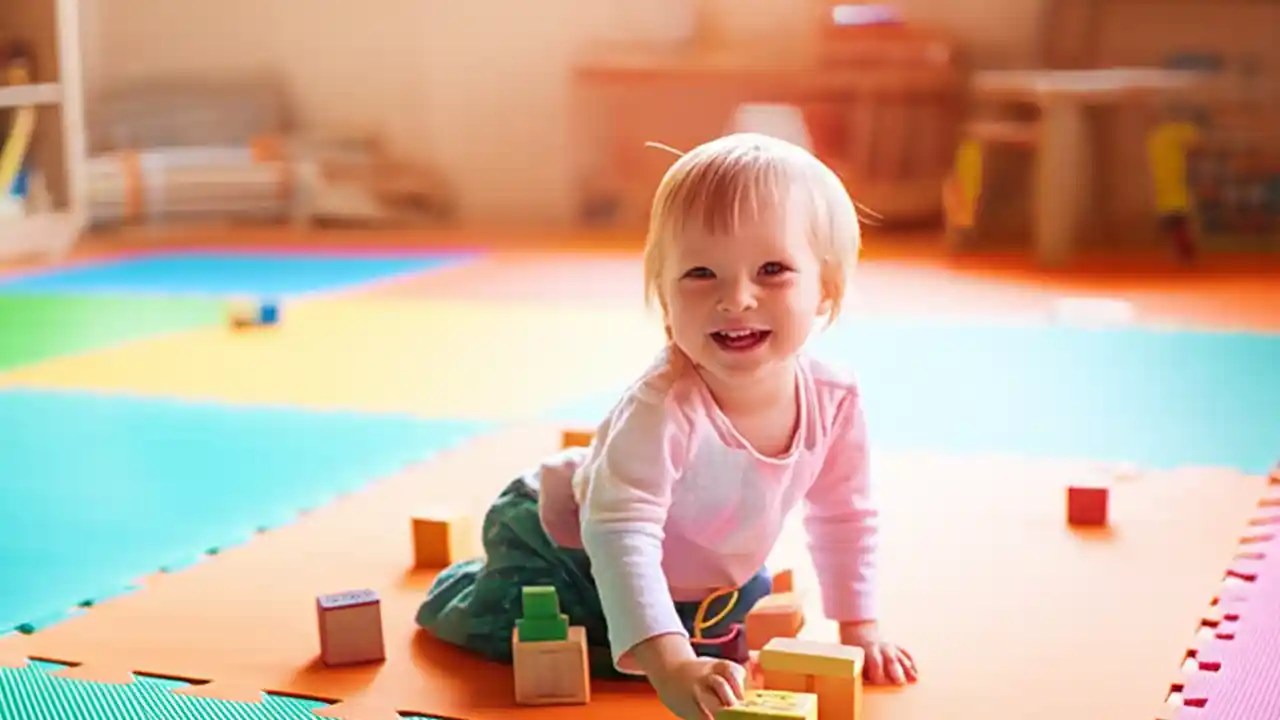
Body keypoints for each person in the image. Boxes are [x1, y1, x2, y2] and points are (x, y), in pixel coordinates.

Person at [416, 132, 916, 720]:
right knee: (565, 643)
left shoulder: (834, 399)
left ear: (825, 288)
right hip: (567, 544)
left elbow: (846, 514)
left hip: (701, 574)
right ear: (664, 295)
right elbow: (620, 531)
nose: (736, 298)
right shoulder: (664, 406)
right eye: (701, 273)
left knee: (736, 627)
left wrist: (859, 628)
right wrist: (671, 665)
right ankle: (466, 586)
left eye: (772, 270)